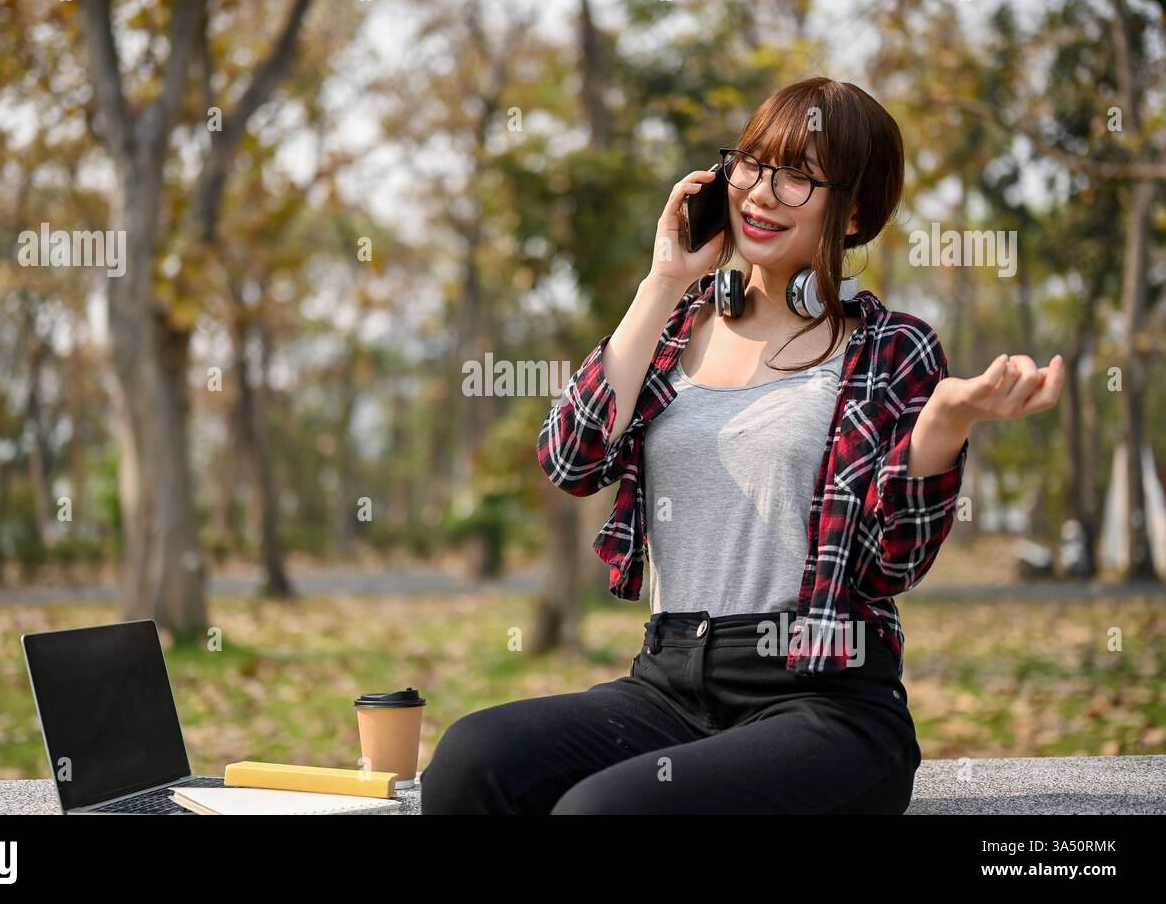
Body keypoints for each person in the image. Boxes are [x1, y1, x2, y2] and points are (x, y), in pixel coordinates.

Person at [421, 77, 1064, 814]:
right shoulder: (673, 331)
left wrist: (942, 427)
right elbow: (570, 458)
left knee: (606, 812)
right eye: (753, 163)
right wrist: (662, 281)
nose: (761, 192)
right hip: (668, 681)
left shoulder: (890, 349)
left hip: (825, 703)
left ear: (851, 212)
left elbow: (892, 565)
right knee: (472, 760)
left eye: (799, 177)